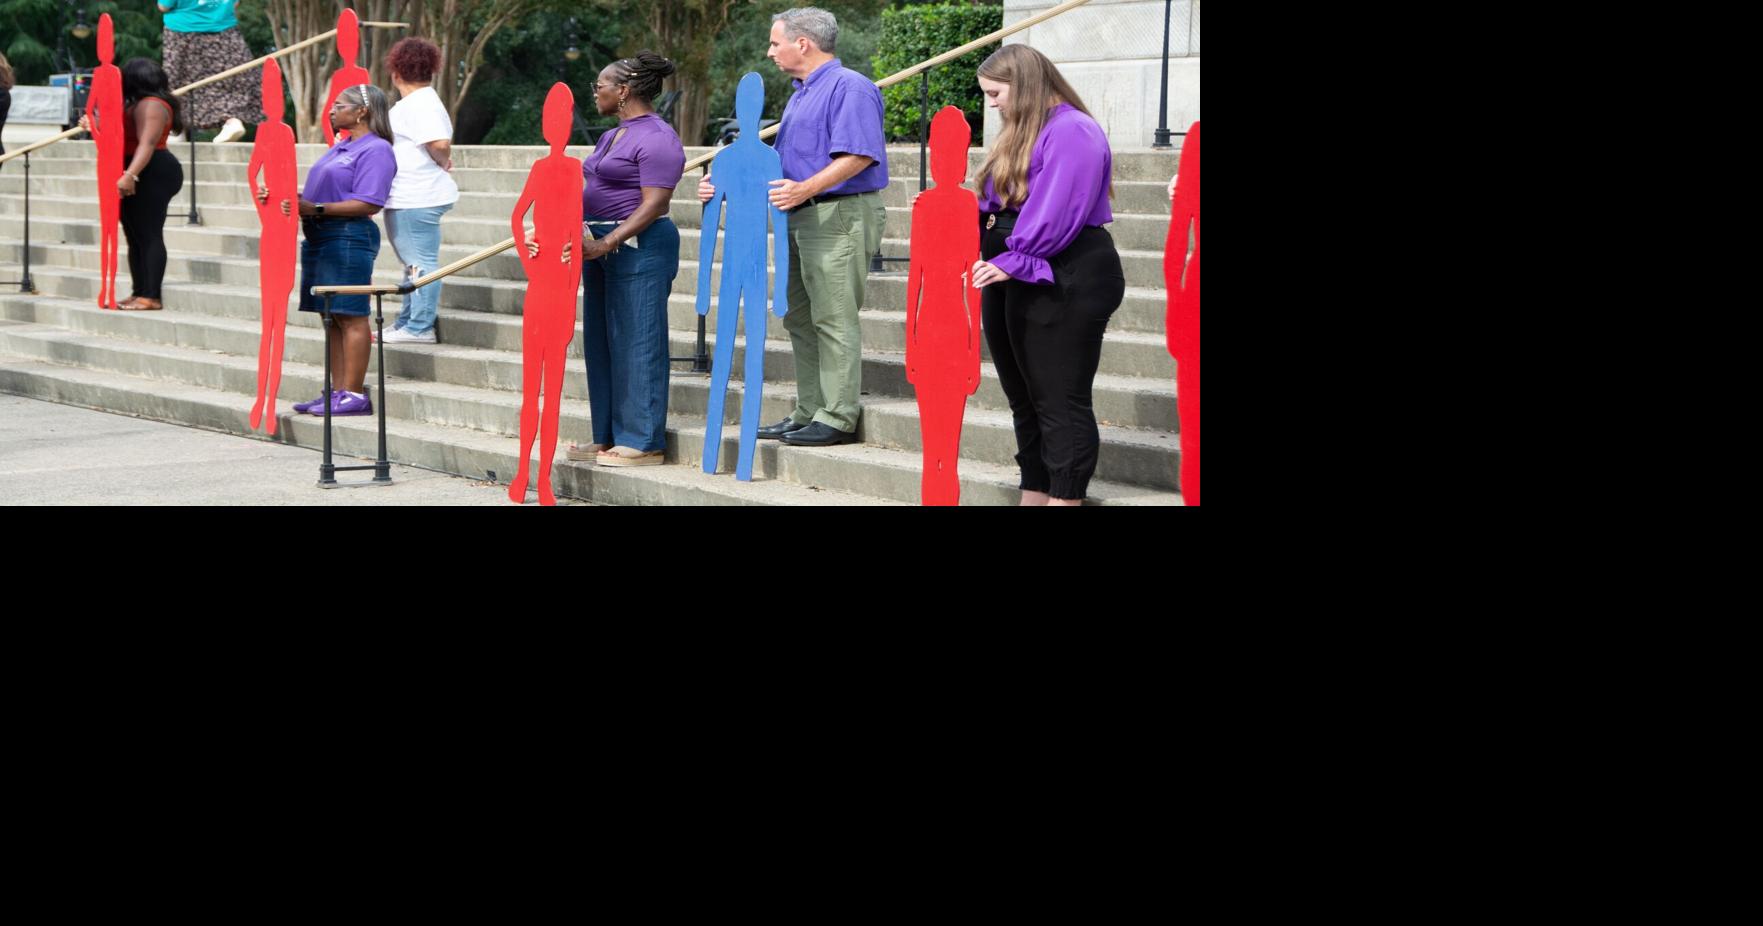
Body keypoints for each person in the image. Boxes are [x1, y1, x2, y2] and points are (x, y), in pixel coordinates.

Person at [698, 7, 887, 448]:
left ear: (803, 43)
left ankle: (838, 416)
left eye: (774, 42)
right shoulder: (802, 92)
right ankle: (809, 410)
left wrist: (805, 189)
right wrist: (720, 186)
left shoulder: (850, 87)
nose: (770, 51)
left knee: (833, 316)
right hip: (803, 214)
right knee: (800, 318)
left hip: (838, 213)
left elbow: (860, 155)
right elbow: (782, 165)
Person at [969, 44, 1123, 506]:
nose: (992, 104)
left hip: (1062, 270)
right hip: (1015, 270)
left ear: (1024, 84)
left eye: (995, 93)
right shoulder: (1026, 130)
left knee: (1058, 399)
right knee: (1025, 399)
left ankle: (1065, 498)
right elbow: (997, 203)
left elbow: (1059, 208)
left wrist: (1014, 259)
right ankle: (1034, 496)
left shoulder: (1072, 129)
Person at [562, 52, 684, 466]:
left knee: (639, 340)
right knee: (602, 343)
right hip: (598, 246)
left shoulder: (658, 137)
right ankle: (607, 435)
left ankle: (644, 441)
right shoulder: (612, 135)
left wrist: (607, 242)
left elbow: (656, 203)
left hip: (639, 247)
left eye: (599, 86)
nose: (595, 93)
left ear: (624, 90)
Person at [265, 85, 396, 418]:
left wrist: (317, 208)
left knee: (351, 315)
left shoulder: (377, 149)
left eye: (339, 105)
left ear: (362, 111)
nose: (332, 110)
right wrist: (288, 197)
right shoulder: (342, 146)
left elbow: (369, 202)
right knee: (333, 317)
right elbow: (324, 194)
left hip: (348, 236)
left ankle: (354, 394)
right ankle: (337, 392)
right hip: (321, 236)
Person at [381, 37, 458, 344]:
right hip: (410, 195)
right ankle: (407, 321)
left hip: (417, 196)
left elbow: (439, 143)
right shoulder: (418, 102)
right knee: (412, 264)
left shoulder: (421, 103)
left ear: (396, 73)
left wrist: (442, 160)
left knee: (420, 263)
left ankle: (419, 326)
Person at [110, 58, 186, 311]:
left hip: (152, 170)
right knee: (134, 234)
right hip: (138, 167)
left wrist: (131, 174)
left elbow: (148, 143)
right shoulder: (137, 103)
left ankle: (151, 296)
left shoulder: (152, 104)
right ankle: (139, 291)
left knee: (149, 232)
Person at [156, 0, 262, 143]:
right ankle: (232, 122)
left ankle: (177, 129)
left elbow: (164, 6)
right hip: (224, 31)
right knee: (230, 79)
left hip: (183, 31)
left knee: (179, 80)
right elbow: (234, 3)